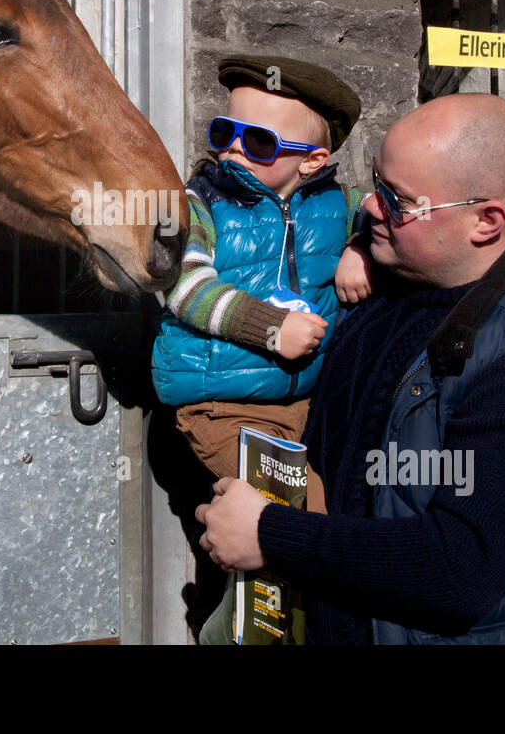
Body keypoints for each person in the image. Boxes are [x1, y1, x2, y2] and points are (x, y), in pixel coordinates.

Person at [195, 92, 505, 644]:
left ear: (487, 221)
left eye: (397, 201)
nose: (372, 207)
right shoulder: (396, 278)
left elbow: (459, 566)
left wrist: (270, 534)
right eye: (377, 186)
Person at [152, 54, 374, 494]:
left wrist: (359, 247)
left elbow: (390, 221)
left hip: (310, 402)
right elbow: (185, 287)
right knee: (296, 513)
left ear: (311, 160)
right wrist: (272, 329)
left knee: (330, 509)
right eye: (224, 131)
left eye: (257, 140)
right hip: (224, 406)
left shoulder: (338, 204)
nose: (232, 148)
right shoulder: (200, 203)